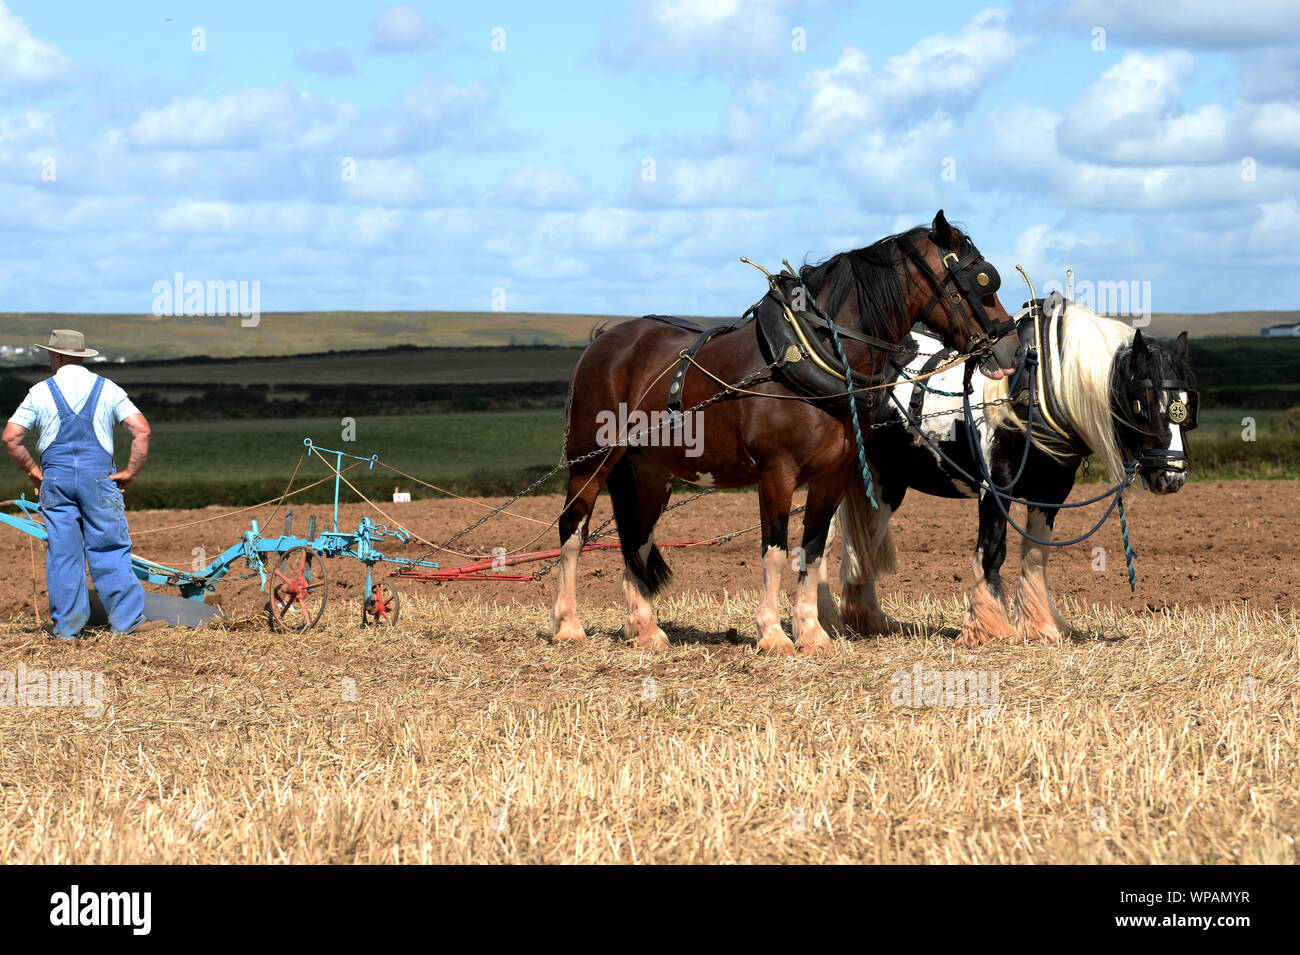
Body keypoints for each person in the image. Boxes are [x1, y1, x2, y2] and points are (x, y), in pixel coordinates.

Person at [2, 330, 162, 638]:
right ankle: (127, 623)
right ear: (81, 355)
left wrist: (34, 472)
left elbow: (11, 437)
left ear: (57, 356)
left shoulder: (39, 392)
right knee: (109, 548)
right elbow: (142, 431)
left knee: (63, 553)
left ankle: (68, 630)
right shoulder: (108, 389)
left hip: (56, 482)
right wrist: (130, 473)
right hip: (100, 481)